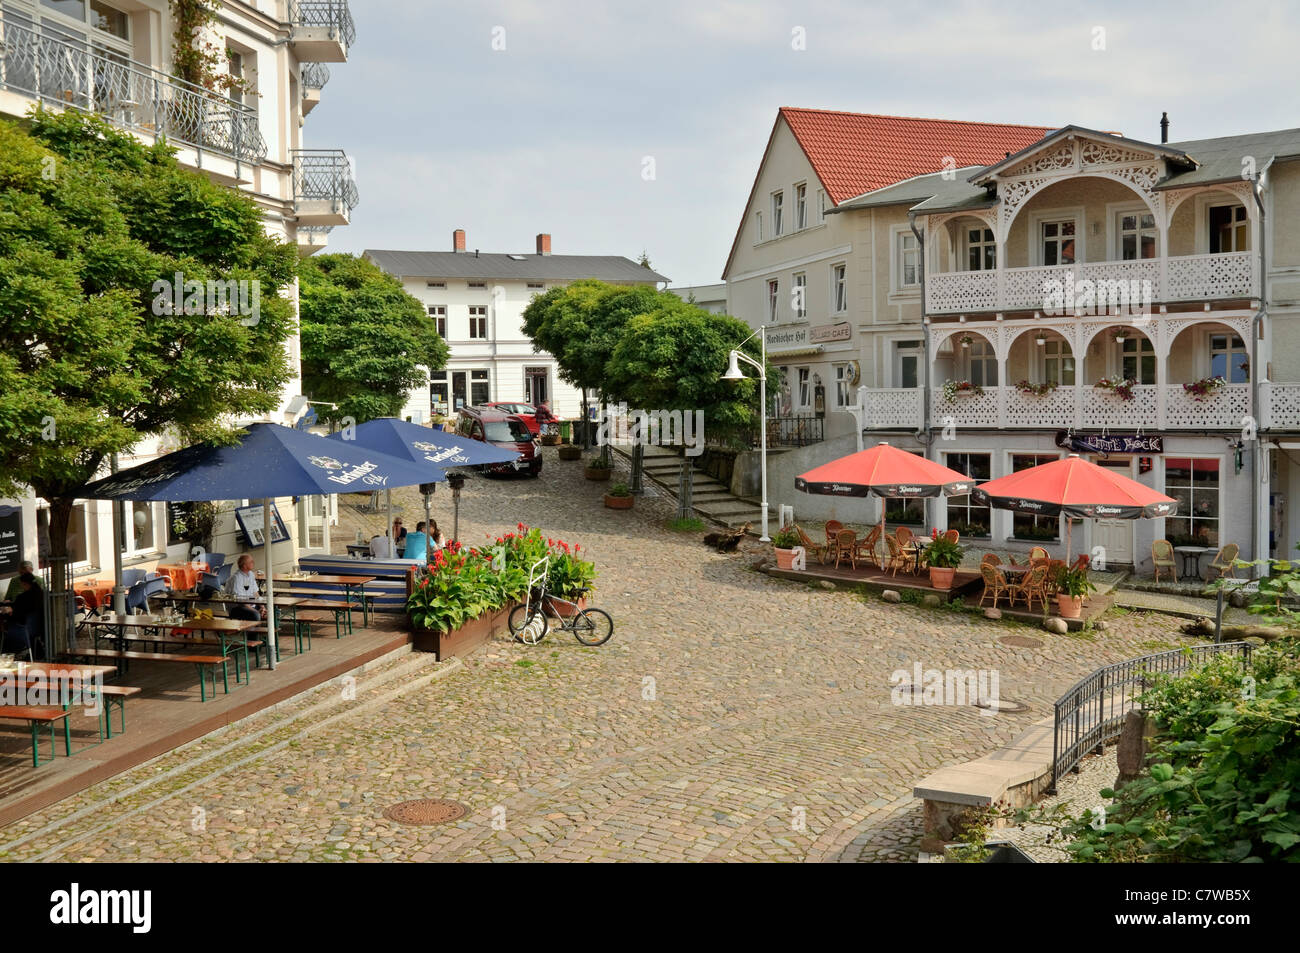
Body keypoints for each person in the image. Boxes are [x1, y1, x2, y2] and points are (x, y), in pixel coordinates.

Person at [0, 573, 42, 656]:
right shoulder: (41, 593)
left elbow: (17, 615)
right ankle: (38, 652)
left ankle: (5, 654)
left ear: (24, 583)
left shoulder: (23, 597)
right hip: (39, 627)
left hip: (22, 630)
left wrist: (7, 613)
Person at [223, 554, 265, 621]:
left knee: (270, 611)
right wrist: (255, 610)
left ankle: (258, 630)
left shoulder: (251, 574)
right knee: (256, 615)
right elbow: (240, 601)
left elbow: (255, 593)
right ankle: (251, 631)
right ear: (245, 566)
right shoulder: (236, 578)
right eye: (251, 562)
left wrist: (262, 607)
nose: (253, 562)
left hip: (250, 605)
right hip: (237, 608)